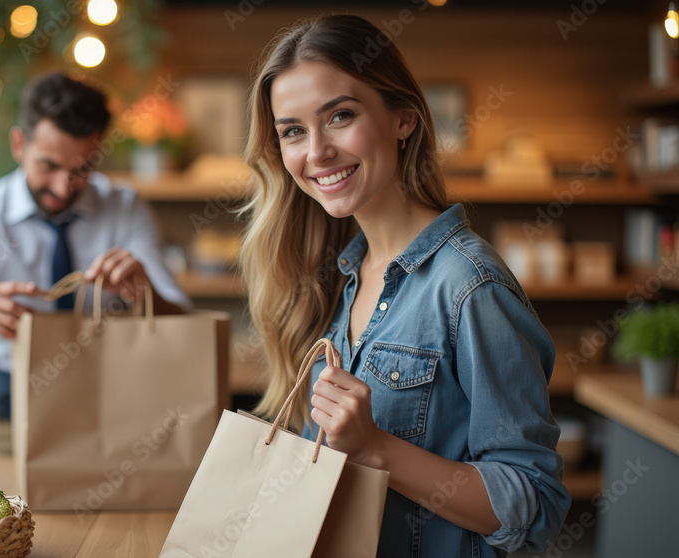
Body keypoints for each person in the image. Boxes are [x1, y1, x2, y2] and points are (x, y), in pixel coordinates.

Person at [239, 15, 569, 557]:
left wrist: (375, 448)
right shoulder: (342, 272)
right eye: (292, 130)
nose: (316, 151)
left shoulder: (470, 286)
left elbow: (533, 503)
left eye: (340, 116)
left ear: (403, 119)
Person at [0, 72, 191, 454]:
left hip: (116, 408)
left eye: (81, 170)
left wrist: (144, 291)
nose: (61, 187)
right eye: (49, 166)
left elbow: (183, 324)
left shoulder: (125, 209)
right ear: (19, 144)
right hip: (8, 416)